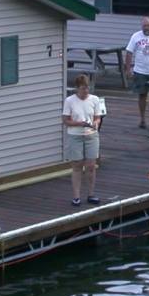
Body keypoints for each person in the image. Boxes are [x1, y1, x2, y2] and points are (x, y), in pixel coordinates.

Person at [61, 74, 102, 206]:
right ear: (77, 88)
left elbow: (97, 117)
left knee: (91, 166)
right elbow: (66, 121)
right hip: (75, 136)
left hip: (91, 135)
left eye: (87, 88)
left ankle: (91, 194)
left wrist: (96, 123)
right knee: (77, 165)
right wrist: (79, 123)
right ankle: (76, 196)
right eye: (83, 88)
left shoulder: (94, 99)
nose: (86, 91)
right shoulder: (69, 101)